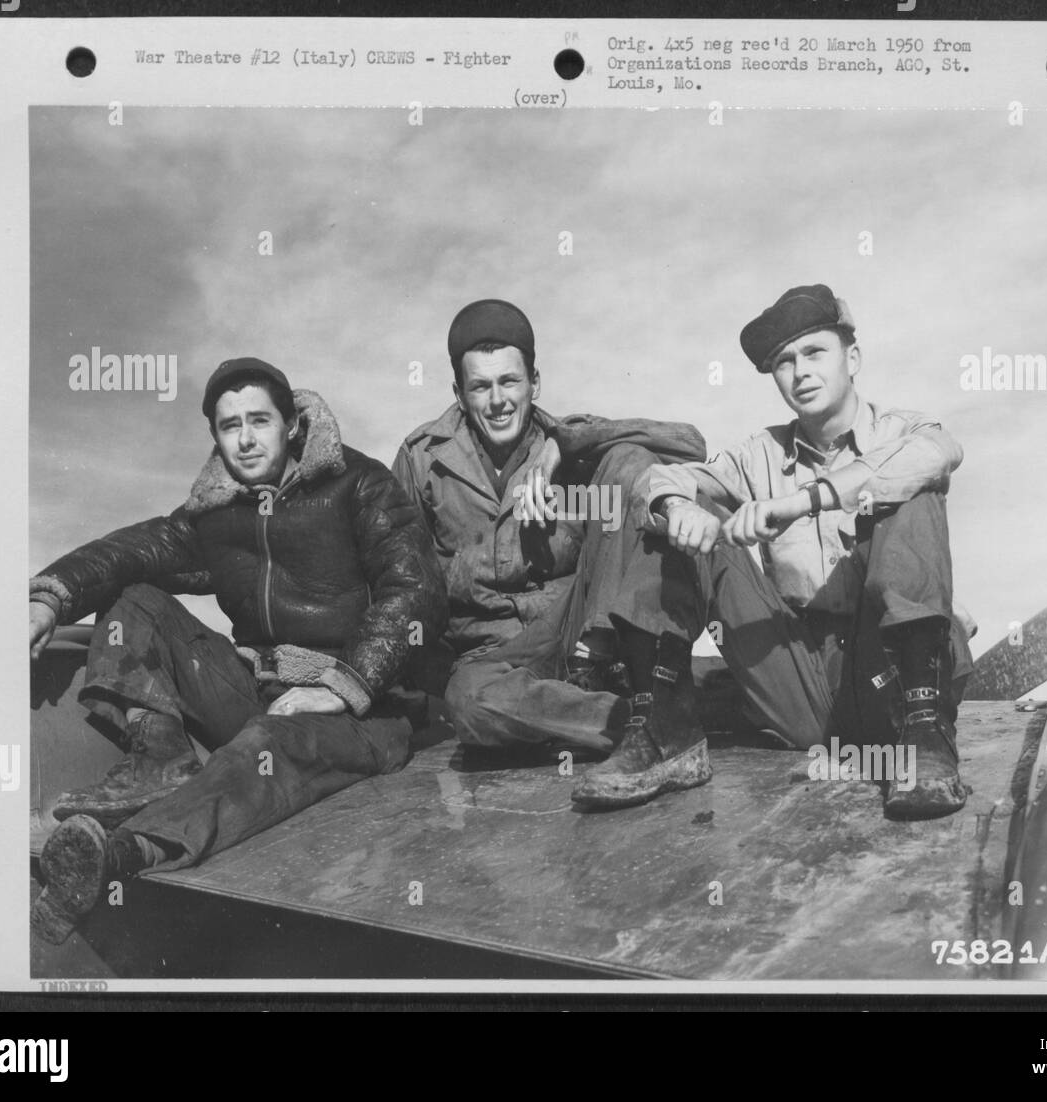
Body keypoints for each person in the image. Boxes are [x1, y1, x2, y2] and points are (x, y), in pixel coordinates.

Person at [28, 358, 446, 942]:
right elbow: (129, 552)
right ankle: (157, 758)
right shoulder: (216, 514)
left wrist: (343, 685)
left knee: (270, 742)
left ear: (293, 424)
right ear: (216, 437)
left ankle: (124, 855)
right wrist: (49, 597)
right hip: (257, 693)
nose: (246, 439)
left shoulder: (359, 484)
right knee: (136, 595)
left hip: (362, 711)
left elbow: (415, 588)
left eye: (259, 421)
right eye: (230, 426)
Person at [572, 284, 975, 819]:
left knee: (908, 491)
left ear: (852, 358)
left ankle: (926, 736)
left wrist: (802, 502)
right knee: (677, 514)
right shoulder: (759, 452)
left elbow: (940, 453)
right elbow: (662, 477)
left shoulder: (905, 429)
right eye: (784, 362)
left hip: (890, 673)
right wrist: (679, 506)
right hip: (802, 682)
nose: (800, 371)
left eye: (814, 352)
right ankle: (665, 731)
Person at [392, 299, 706, 754]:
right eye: (480, 387)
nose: (498, 401)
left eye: (510, 381)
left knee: (627, 461)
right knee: (473, 705)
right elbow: (402, 579)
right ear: (459, 394)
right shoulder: (422, 461)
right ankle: (636, 720)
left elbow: (687, 444)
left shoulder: (568, 445)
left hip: (578, 635)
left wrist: (563, 444)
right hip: (488, 655)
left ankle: (621, 698)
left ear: (534, 383)